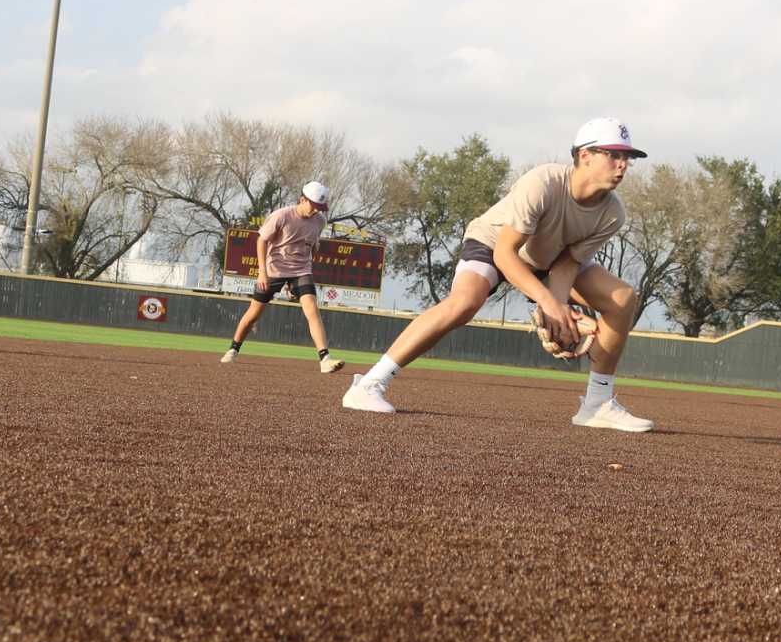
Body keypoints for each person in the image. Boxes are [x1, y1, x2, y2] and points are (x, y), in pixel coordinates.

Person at [341, 117, 653, 432]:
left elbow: (567, 263)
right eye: (613, 155)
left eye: (627, 157)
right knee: (465, 302)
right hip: (492, 244)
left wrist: (558, 308)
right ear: (585, 155)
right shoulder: (544, 182)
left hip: (547, 259)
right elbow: (505, 254)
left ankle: (597, 404)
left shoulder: (613, 213)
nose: (622, 165)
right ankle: (368, 384)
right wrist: (547, 302)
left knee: (622, 299)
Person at [220, 180, 347, 374]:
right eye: (314, 205)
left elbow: (313, 246)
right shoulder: (281, 216)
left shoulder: (320, 221)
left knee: (312, 309)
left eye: (320, 207)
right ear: (302, 200)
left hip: (301, 270)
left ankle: (325, 359)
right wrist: (262, 272)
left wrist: (306, 265)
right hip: (274, 270)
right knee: (253, 314)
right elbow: (261, 241)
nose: (316, 210)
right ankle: (233, 349)